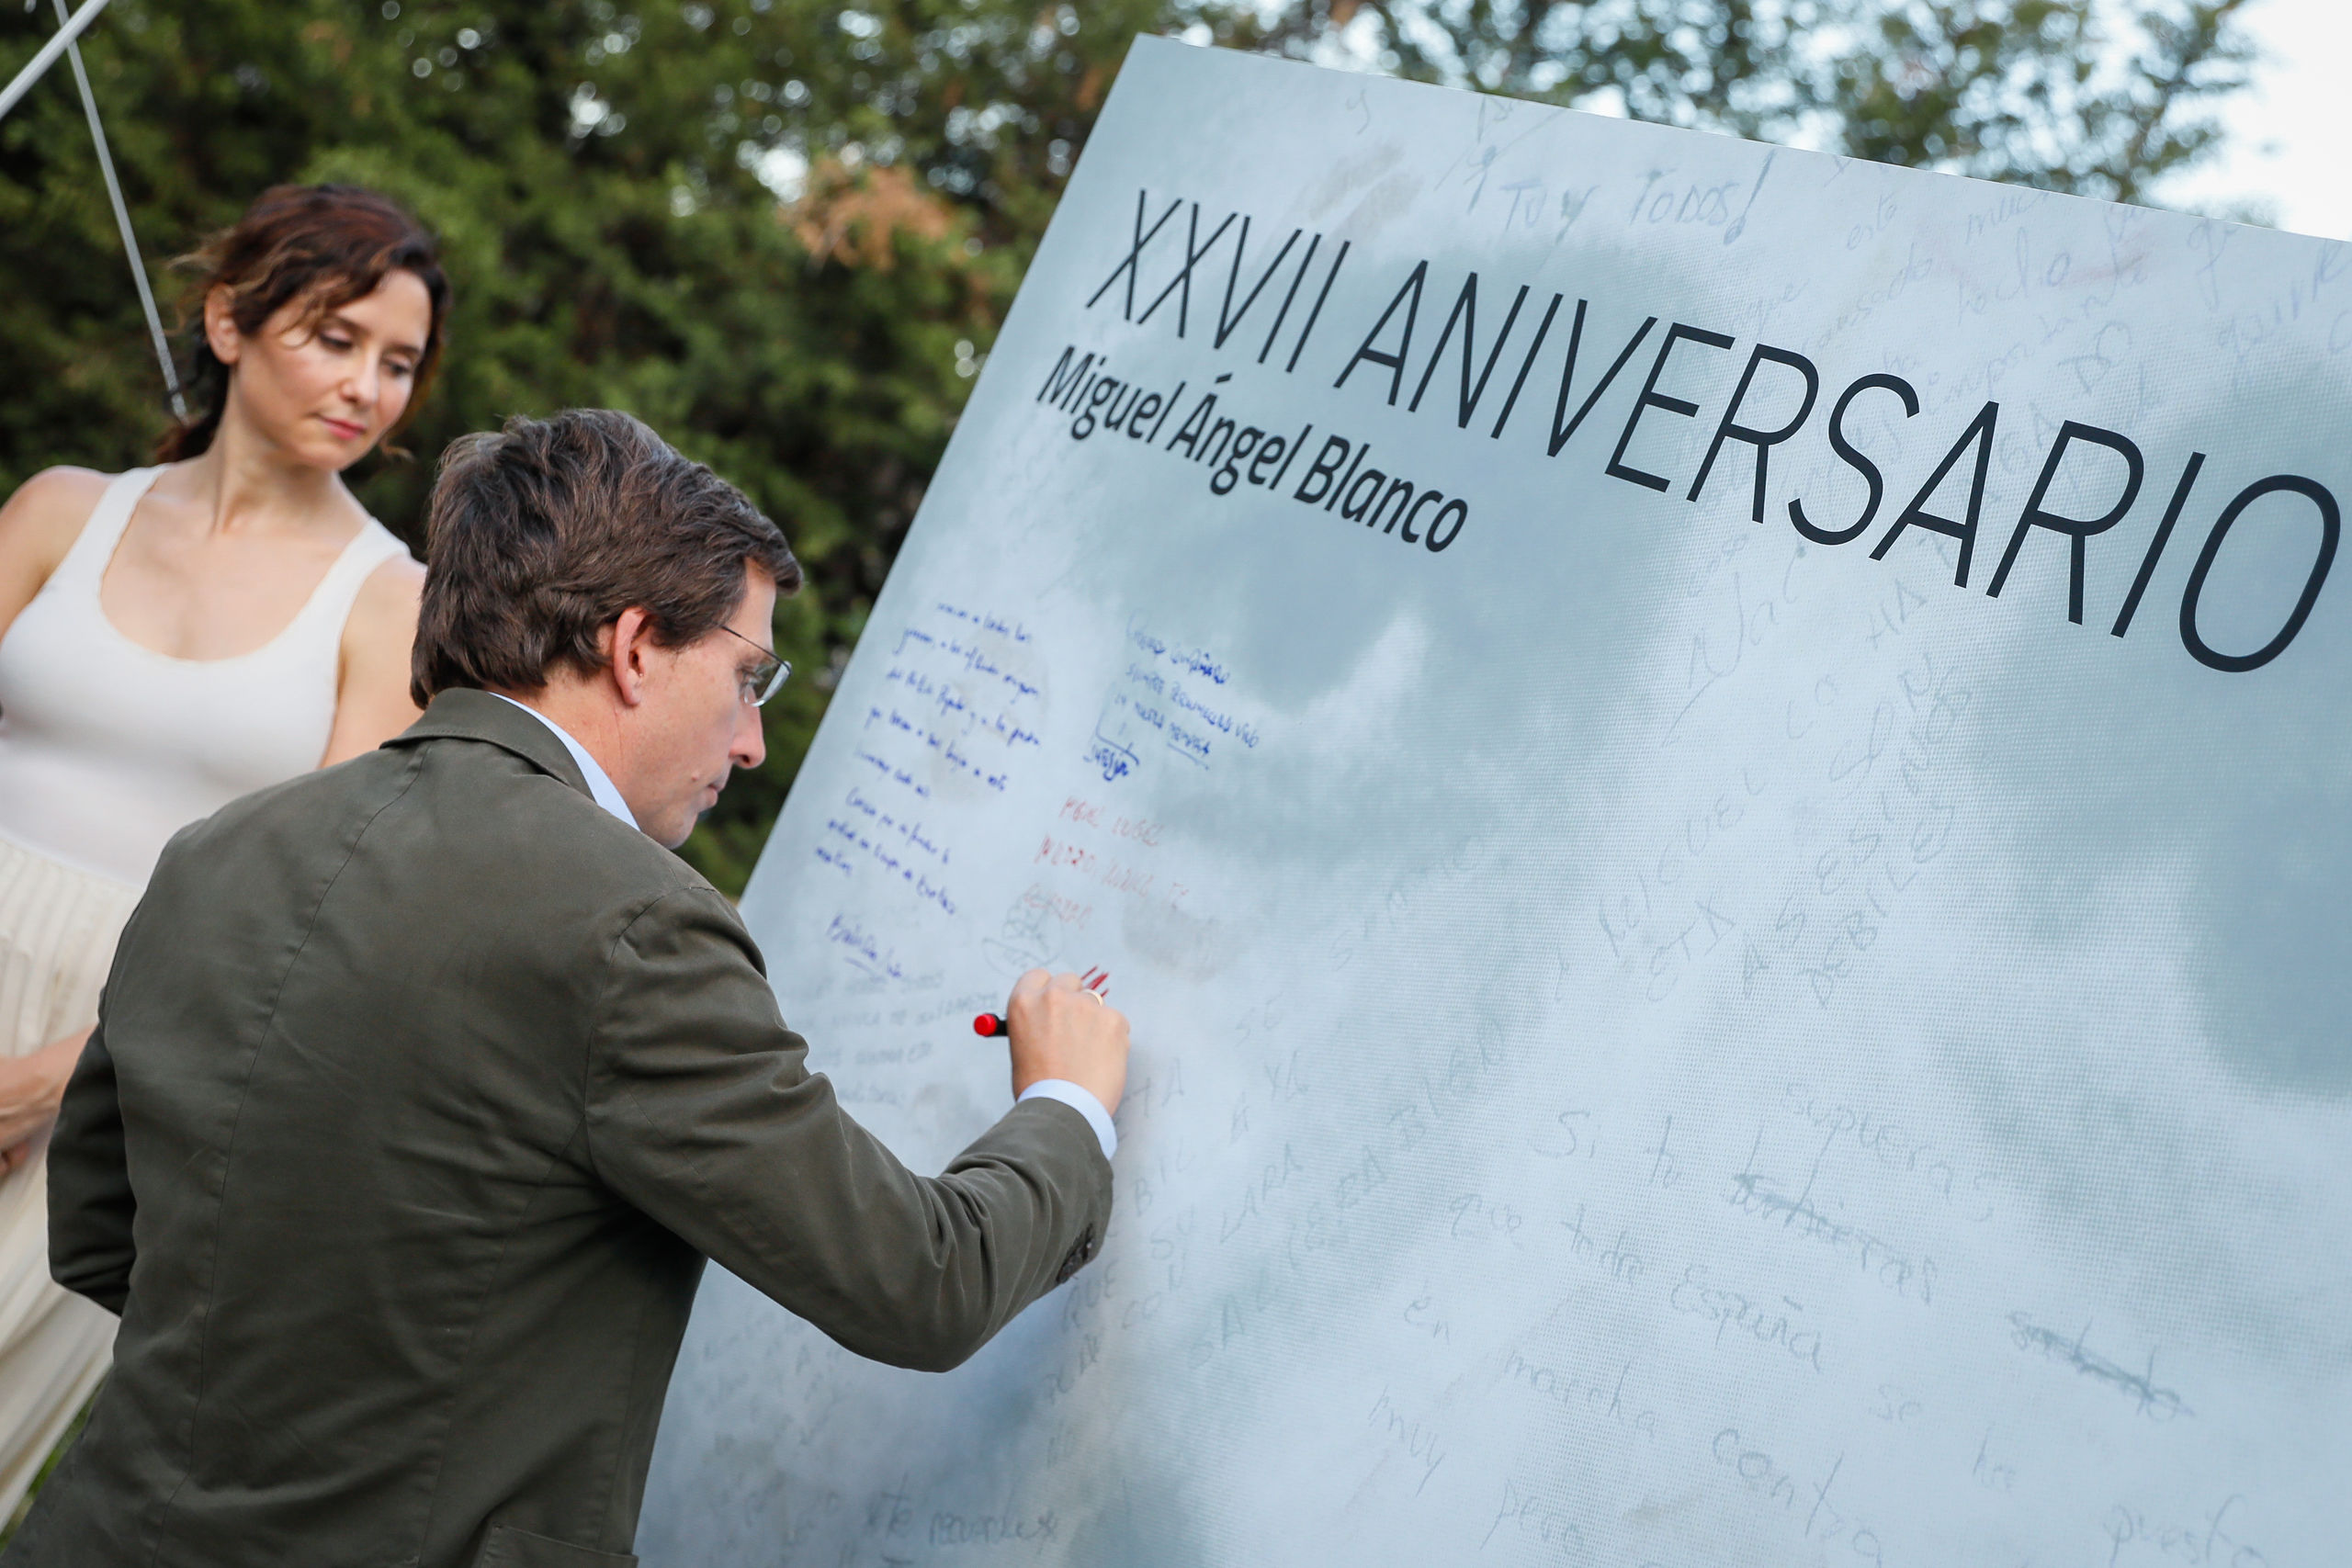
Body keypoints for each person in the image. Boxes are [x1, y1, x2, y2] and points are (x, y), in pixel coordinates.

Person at [6, 409, 1128, 1566]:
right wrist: (1067, 1107)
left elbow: (98, 1235)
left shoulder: (219, 849)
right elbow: (918, 1282)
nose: (751, 741)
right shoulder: (634, 924)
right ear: (635, 646)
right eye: (748, 676)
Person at [0, 182, 447, 1519]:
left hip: (125, 1064)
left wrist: (63, 1082)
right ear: (230, 321)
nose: (368, 385)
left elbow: (301, 921)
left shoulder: (395, 601)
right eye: (336, 335)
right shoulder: (61, 511)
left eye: (401, 361)